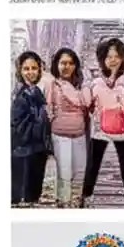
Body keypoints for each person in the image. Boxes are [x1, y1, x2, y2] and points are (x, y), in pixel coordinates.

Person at [82, 38, 124, 208]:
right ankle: (85, 196)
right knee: (92, 166)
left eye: (116, 56)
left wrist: (116, 78)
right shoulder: (95, 81)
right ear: (102, 59)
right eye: (109, 57)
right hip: (100, 130)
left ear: (122, 58)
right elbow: (89, 104)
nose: (113, 60)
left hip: (123, 130)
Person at [47, 47, 91, 208]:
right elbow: (48, 109)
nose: (67, 67)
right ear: (56, 65)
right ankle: (64, 203)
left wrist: (84, 85)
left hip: (79, 134)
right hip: (60, 134)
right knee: (64, 172)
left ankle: (77, 202)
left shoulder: (82, 86)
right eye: (63, 63)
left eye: (71, 63)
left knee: (79, 170)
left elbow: (87, 104)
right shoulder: (53, 85)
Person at [11, 51, 51, 207]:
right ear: (20, 71)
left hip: (38, 149)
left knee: (34, 193)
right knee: (24, 195)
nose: (30, 72)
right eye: (26, 69)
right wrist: (37, 124)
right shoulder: (20, 96)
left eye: (34, 68)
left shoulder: (37, 91)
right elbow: (17, 125)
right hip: (24, 150)